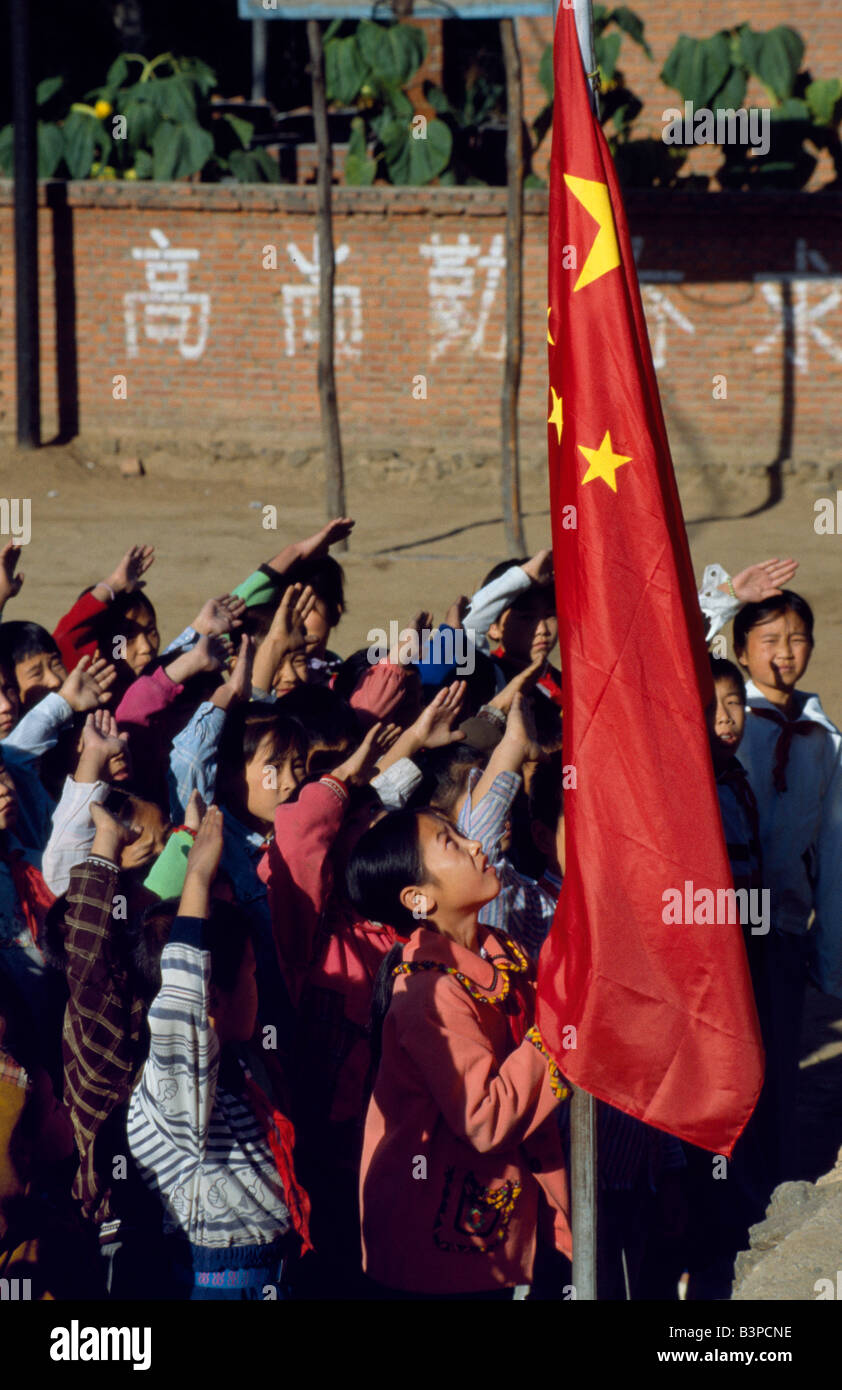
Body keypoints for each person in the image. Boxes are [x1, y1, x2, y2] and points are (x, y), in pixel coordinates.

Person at [347, 807, 571, 1297]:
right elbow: (483, 1118)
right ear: (419, 899)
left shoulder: (502, 953)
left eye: (462, 833)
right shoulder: (430, 993)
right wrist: (561, 1033)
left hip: (495, 1219)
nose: (475, 846)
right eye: (449, 842)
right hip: (435, 1243)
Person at [126, 806, 312, 1300]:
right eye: (251, 972)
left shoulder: (240, 1069)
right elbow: (181, 1007)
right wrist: (198, 878)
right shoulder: (172, 1093)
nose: (259, 984)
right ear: (211, 995)